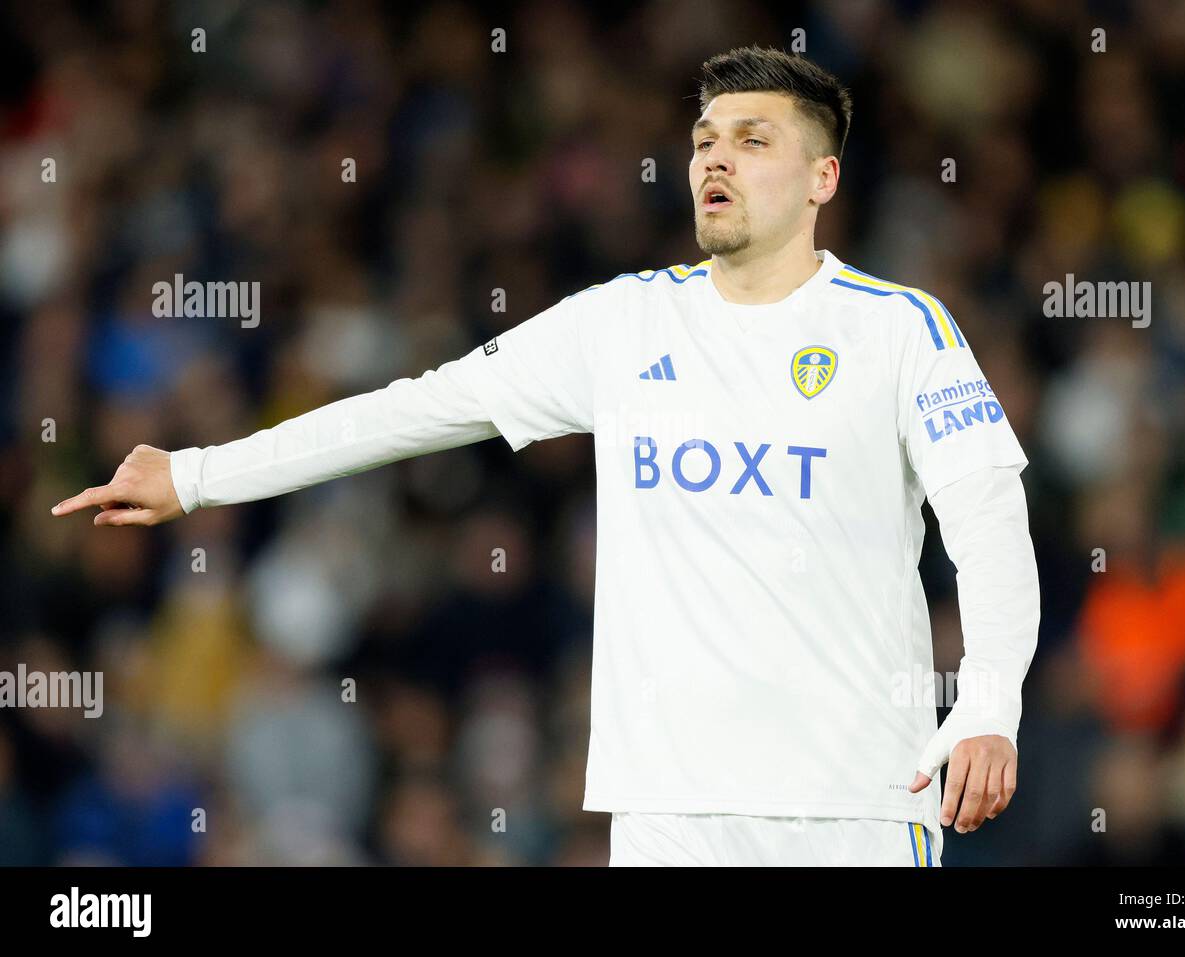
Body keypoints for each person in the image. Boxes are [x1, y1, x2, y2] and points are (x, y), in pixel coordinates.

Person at [51, 45, 1039, 866]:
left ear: (823, 177)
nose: (716, 162)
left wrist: (989, 701)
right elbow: (418, 408)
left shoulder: (900, 330)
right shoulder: (625, 323)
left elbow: (987, 515)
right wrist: (197, 474)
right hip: (668, 808)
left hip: (853, 801)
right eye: (703, 142)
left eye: (752, 139)